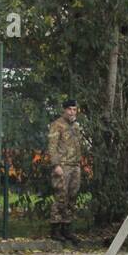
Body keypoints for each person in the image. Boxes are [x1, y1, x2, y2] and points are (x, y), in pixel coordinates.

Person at [47, 98, 84, 243]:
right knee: (61, 196)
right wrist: (56, 165)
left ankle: (67, 229)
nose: (72, 112)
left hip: (75, 165)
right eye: (69, 109)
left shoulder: (76, 126)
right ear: (64, 110)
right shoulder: (57, 125)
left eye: (74, 109)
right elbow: (52, 146)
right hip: (62, 166)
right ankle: (55, 229)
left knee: (72, 197)